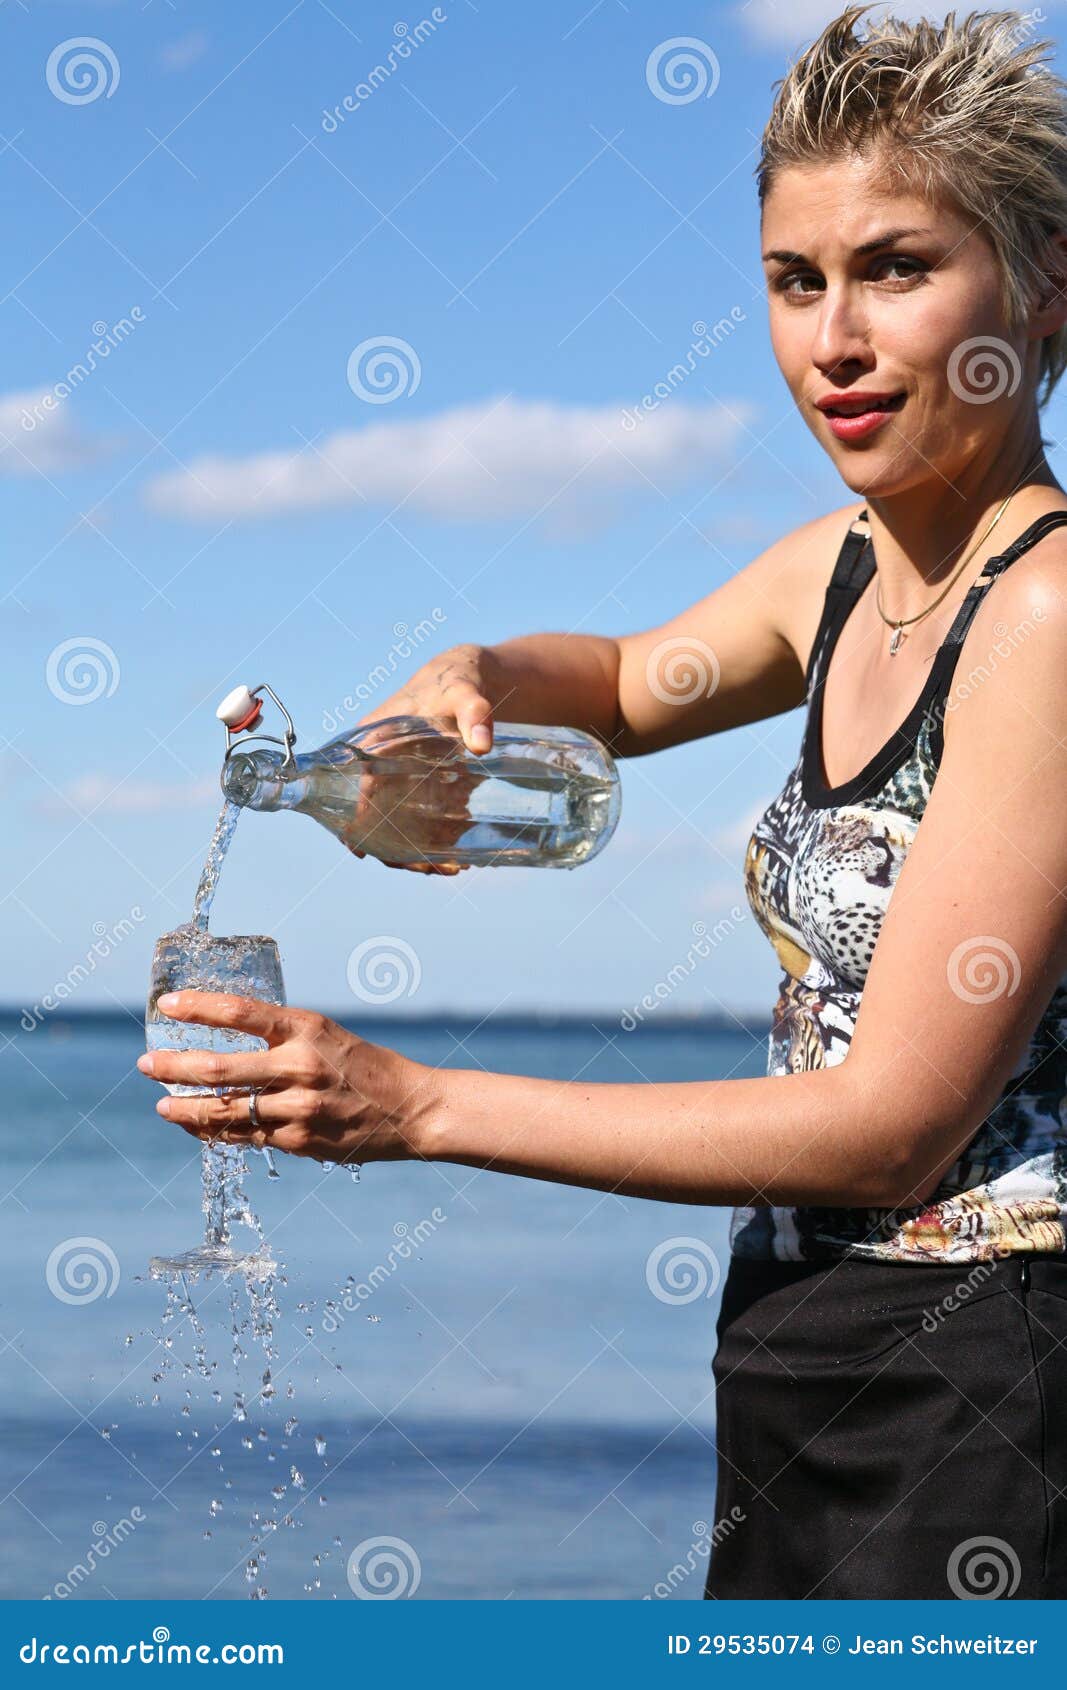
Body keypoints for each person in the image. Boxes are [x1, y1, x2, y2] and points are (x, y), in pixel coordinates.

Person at [137, 5, 1067, 1599]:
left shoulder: (1046, 616)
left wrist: (419, 1107)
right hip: (792, 1345)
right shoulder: (842, 573)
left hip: (985, 1381)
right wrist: (472, 670)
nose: (831, 340)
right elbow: (633, 683)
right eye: (793, 281)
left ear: (1043, 289)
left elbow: (898, 1122)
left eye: (896, 268)